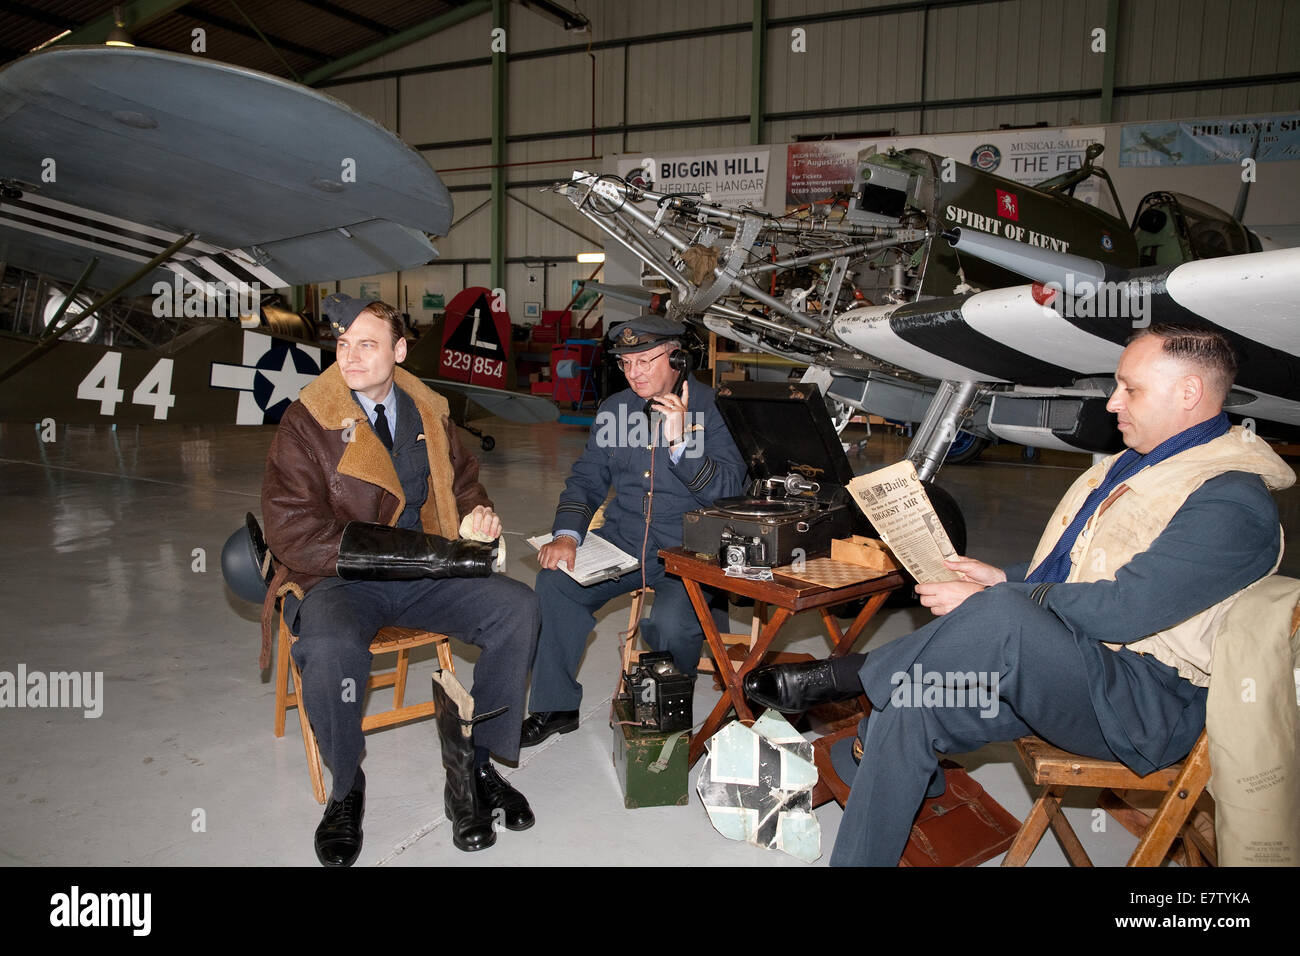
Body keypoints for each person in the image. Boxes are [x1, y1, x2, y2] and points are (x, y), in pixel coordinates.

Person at [744, 324, 1295, 866]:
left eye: (1130, 388)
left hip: (1144, 705)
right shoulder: (1150, 463)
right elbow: (1085, 566)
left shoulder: (1230, 502)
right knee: (908, 707)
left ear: (1189, 393)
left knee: (1003, 616)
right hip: (1077, 670)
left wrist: (1002, 600)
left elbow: (1123, 611)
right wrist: (1004, 578)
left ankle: (847, 677)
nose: (1111, 403)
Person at [259, 293, 539, 866]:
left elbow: (463, 482)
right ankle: (345, 791)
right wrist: (399, 555)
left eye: (367, 344)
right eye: (342, 344)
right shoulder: (308, 419)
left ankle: (476, 766)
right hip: (337, 577)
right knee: (331, 645)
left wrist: (476, 513)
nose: (351, 357)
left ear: (400, 351)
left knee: (518, 609)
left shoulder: (428, 410)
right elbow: (289, 529)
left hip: (424, 570)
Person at [521, 315, 748, 745]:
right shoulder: (615, 410)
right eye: (626, 363)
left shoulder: (715, 409)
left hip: (689, 549)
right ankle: (556, 706)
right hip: (623, 540)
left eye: (645, 360)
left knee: (672, 623)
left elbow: (730, 493)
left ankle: (666, 707)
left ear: (678, 357)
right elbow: (586, 480)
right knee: (554, 584)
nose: (635, 373)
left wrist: (682, 445)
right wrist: (567, 535)